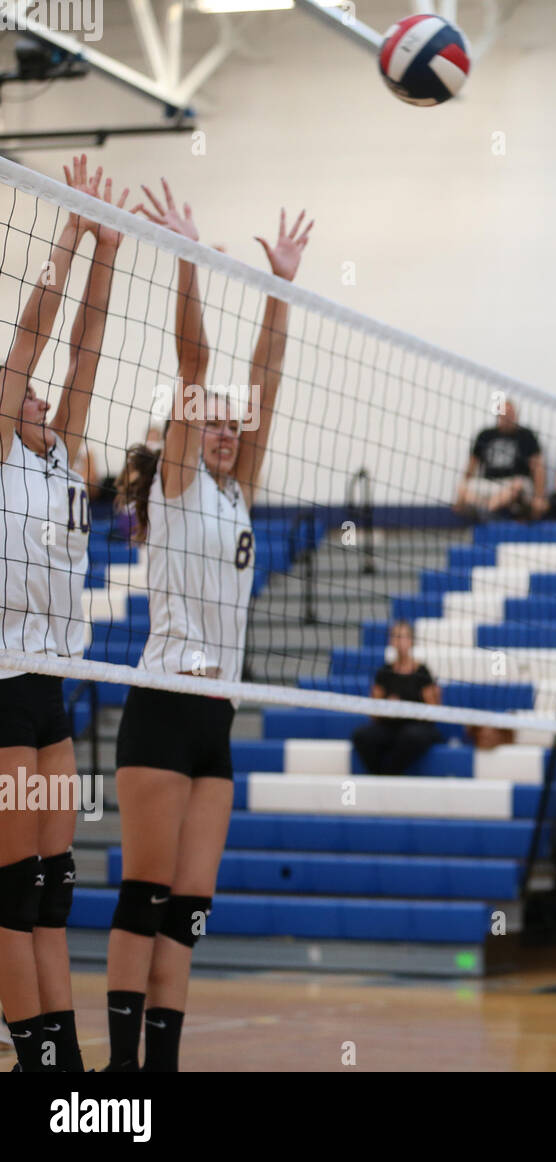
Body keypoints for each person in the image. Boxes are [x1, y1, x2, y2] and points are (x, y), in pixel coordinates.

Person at [106, 181, 312, 1071]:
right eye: (213, 421)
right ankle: (119, 1069)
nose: (227, 427)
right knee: (147, 892)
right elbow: (197, 369)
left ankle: (162, 1068)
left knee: (191, 904)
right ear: (189, 432)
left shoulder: (238, 492)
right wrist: (189, 258)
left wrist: (283, 291)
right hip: (161, 704)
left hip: (216, 717)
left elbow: (266, 379)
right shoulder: (178, 485)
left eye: (235, 424)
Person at [0, 156, 126, 1072]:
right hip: (2, 681)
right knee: (10, 889)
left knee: (52, 887)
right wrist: (66, 237)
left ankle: (61, 1061)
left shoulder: (64, 456)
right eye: (28, 392)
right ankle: (40, 1061)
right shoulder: (5, 446)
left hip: (53, 687)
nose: (41, 394)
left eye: (44, 397)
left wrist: (111, 254)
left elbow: (86, 350)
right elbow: (35, 342)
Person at [351, 621, 444, 773]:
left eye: (404, 637)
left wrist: (406, 709)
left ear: (412, 641)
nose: (400, 641)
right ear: (390, 641)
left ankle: (386, 776)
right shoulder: (384, 671)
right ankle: (381, 777)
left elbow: (433, 710)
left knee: (410, 736)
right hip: (390, 726)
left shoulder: (422, 671)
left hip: (417, 726)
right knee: (361, 736)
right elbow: (374, 712)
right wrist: (387, 707)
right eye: (395, 636)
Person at [456, 399, 545, 521]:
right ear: (498, 416)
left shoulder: (526, 435)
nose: (507, 417)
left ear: (516, 415)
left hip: (516, 484)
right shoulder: (485, 435)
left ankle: (486, 509)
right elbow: (472, 465)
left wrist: (539, 496)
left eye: (510, 414)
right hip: (491, 484)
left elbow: (538, 467)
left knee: (517, 485)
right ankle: (487, 507)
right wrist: (462, 492)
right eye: (504, 414)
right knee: (463, 487)